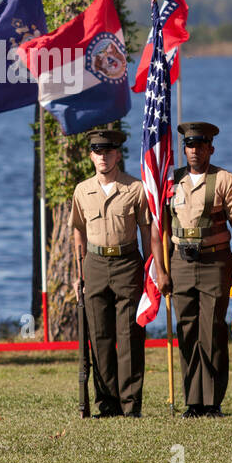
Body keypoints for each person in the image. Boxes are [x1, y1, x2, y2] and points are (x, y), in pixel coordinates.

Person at [71, 129, 160, 417]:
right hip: (95, 266)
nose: (103, 157)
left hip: (127, 264)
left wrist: (151, 269)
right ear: (91, 155)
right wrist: (79, 272)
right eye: (98, 152)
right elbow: (78, 231)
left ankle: (131, 404)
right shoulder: (82, 190)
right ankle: (107, 404)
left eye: (108, 152)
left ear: (118, 154)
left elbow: (147, 230)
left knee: (131, 335)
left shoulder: (135, 188)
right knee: (100, 337)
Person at [161, 122, 232, 417]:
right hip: (181, 262)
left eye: (200, 146)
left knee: (212, 330)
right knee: (187, 329)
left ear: (211, 149)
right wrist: (163, 268)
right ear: (184, 149)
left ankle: (212, 400)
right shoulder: (172, 180)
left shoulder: (223, 180)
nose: (194, 151)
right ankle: (193, 400)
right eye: (190, 146)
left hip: (214, 261)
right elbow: (163, 225)